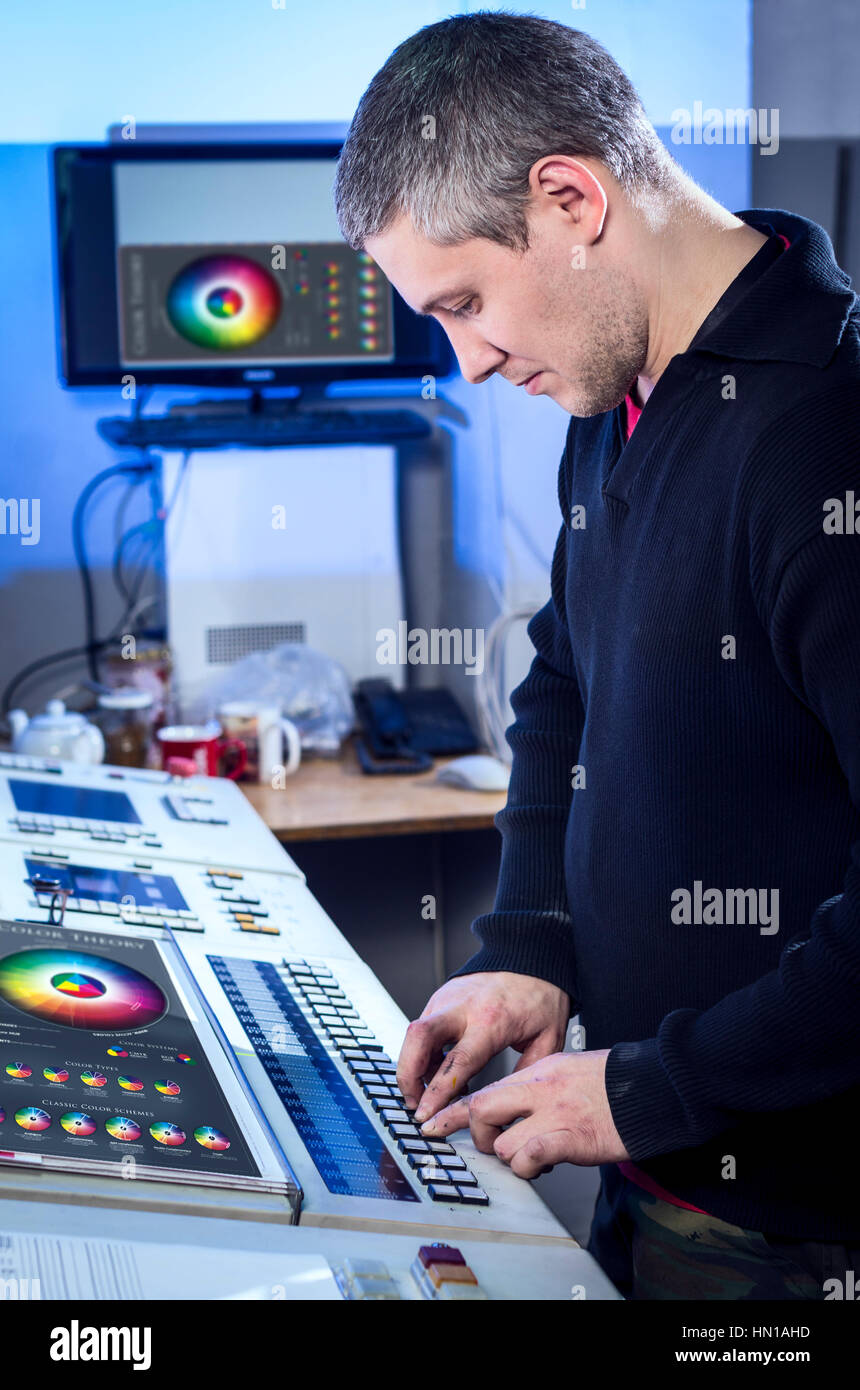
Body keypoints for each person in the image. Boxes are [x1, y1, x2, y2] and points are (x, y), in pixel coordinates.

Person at [334, 13, 860, 1300]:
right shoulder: (616, 384)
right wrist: (529, 941)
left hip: (796, 1230)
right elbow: (563, 680)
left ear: (569, 197)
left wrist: (651, 1084)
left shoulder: (822, 442)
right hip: (655, 1168)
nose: (466, 360)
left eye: (462, 303)